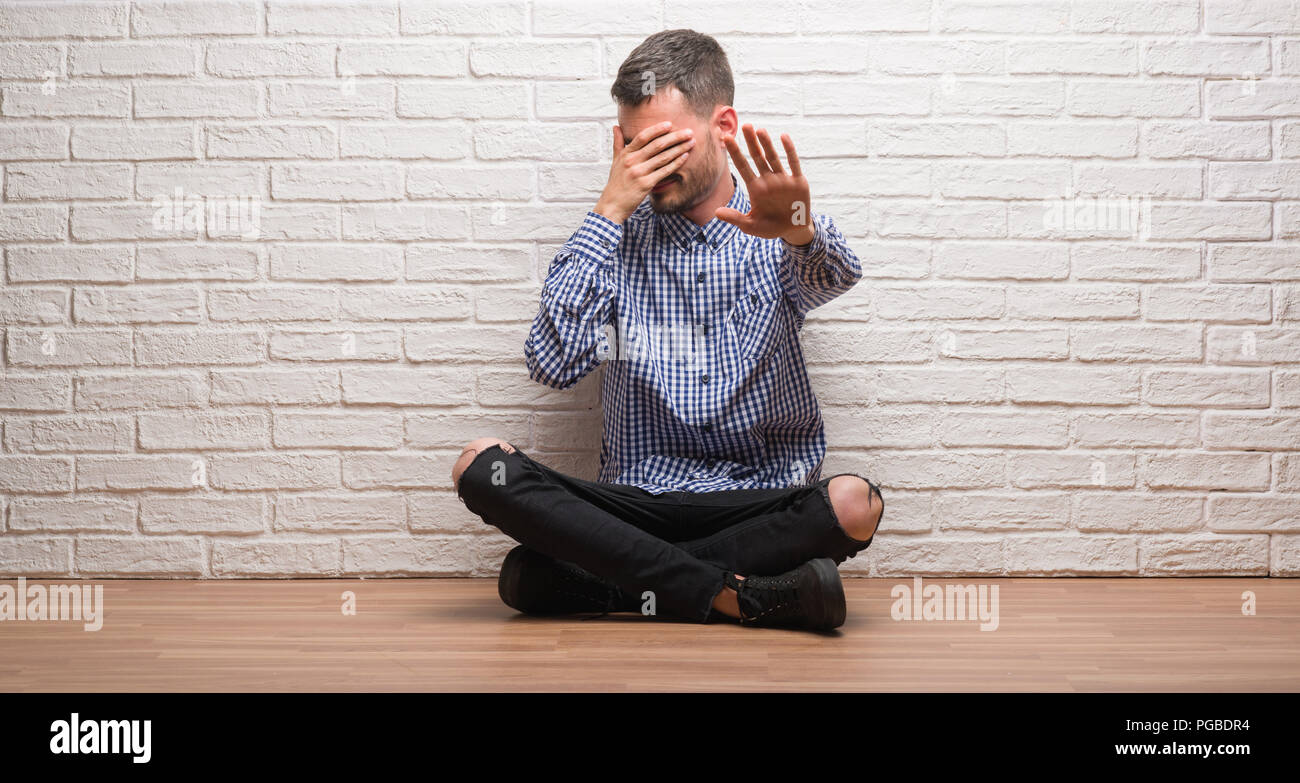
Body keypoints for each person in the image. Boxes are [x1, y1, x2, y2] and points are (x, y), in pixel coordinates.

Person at [451, 29, 883, 631]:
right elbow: (552, 364)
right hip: (636, 505)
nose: (647, 166)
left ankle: (604, 582)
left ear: (723, 126)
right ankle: (742, 596)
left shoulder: (775, 232)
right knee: (480, 464)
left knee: (854, 504)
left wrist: (801, 227)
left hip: (752, 503)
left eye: (665, 145)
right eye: (633, 145)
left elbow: (834, 276)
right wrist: (607, 212)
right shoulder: (611, 241)